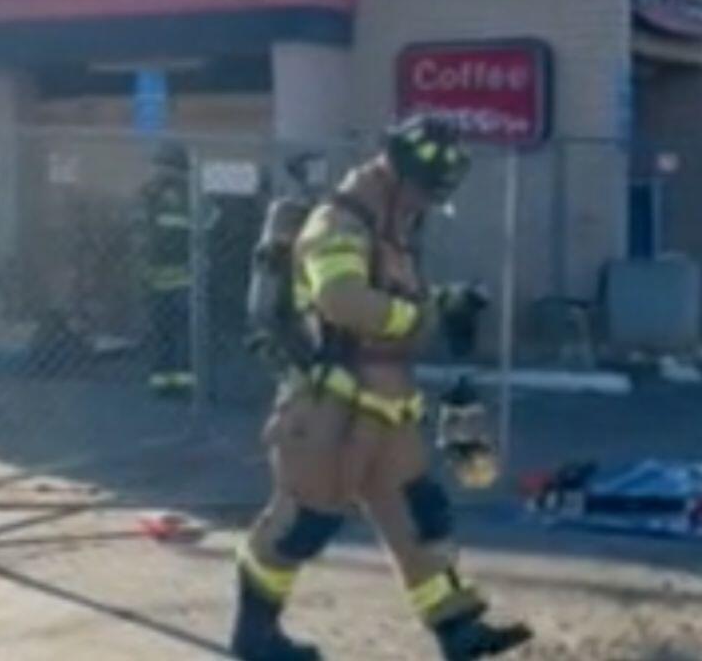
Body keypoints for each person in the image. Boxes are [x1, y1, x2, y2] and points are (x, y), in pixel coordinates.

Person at [231, 116, 532, 661]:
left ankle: (456, 629)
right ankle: (255, 635)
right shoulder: (338, 224)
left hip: (387, 409)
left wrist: (447, 303)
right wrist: (419, 320)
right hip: (328, 409)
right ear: (395, 175)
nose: (425, 204)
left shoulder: (391, 230)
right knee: (301, 525)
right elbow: (342, 300)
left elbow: (394, 296)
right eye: (421, 191)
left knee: (418, 516)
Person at [140, 142, 197, 396]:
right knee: (171, 332)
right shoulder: (155, 195)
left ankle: (175, 383)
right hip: (170, 276)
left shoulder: (186, 194)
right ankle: (167, 382)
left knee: (173, 333)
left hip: (176, 276)